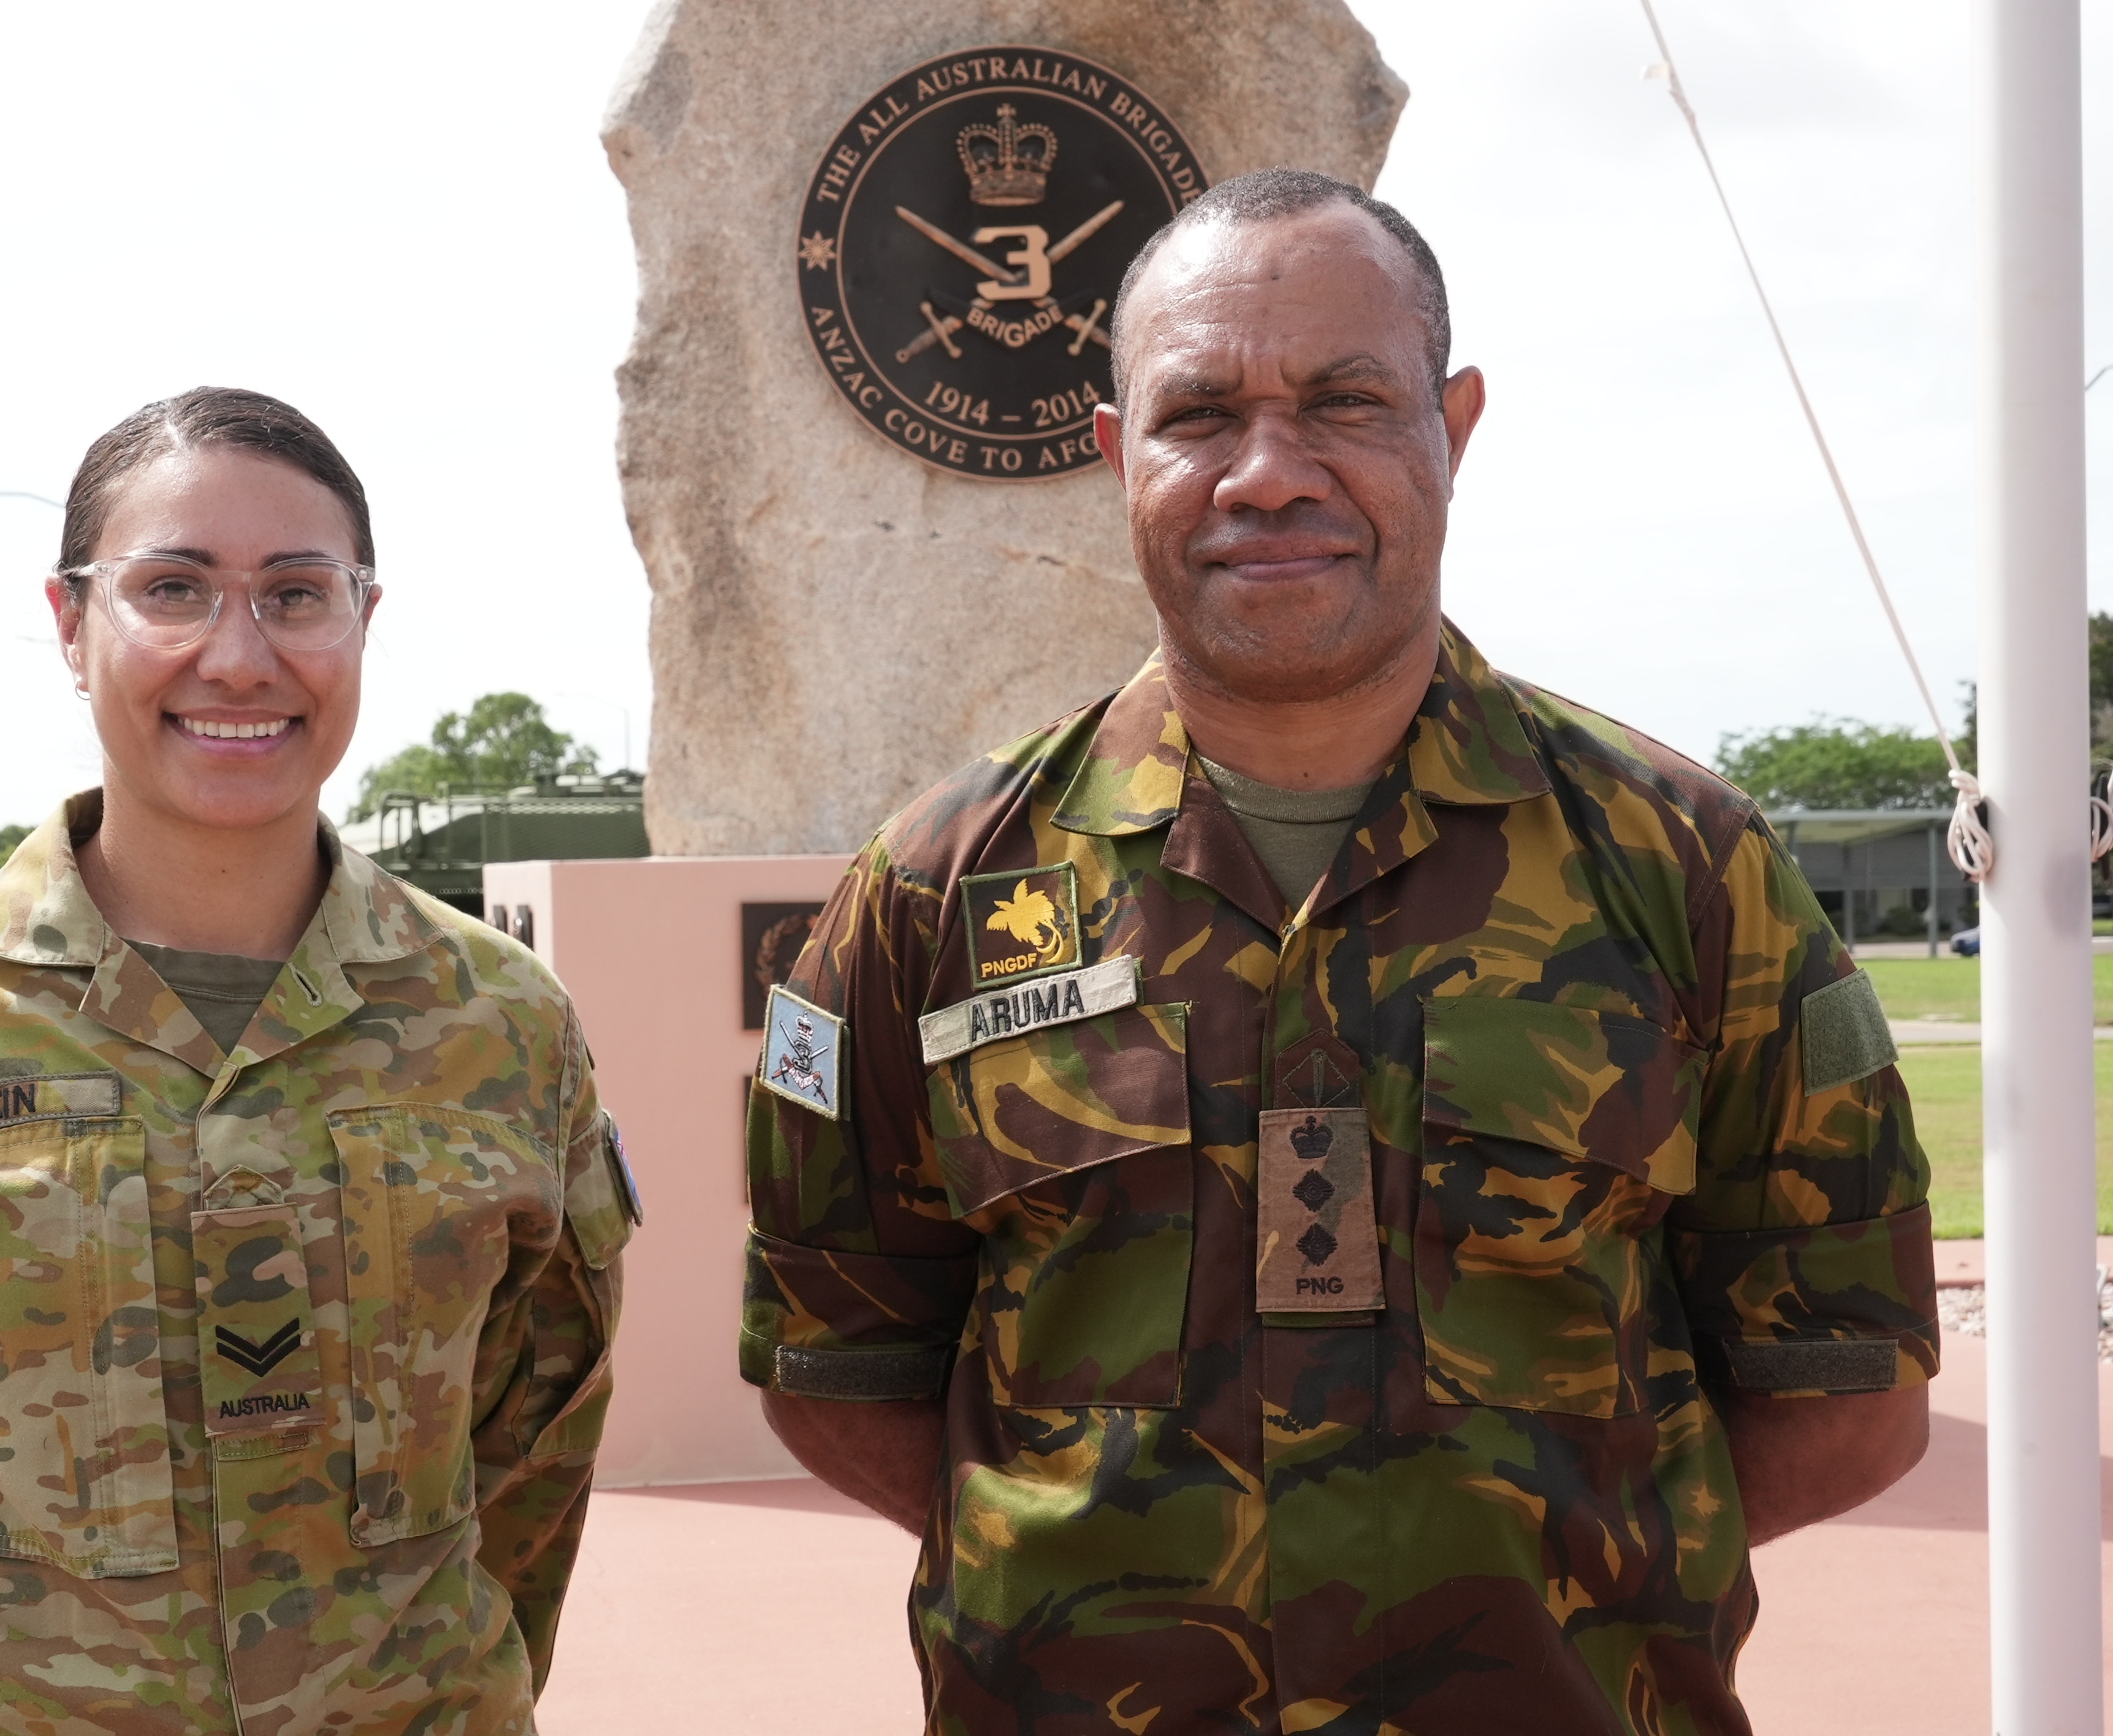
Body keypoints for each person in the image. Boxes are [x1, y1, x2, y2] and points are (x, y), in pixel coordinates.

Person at [741, 170, 1936, 1734]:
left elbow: (1844, 1389)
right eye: (1197, 416)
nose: (1266, 474)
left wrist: (1546, 1585)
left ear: (1454, 425)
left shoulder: (1685, 865)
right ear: (1115, 457)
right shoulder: (930, 889)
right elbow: (837, 1369)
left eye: (1343, 402)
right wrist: (1104, 1590)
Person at [0, 387, 635, 1735]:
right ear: (71, 625)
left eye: (297, 594)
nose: (237, 657)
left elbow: (537, 1444)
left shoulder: (504, 1027)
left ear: (364, 617)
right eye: (171, 588)